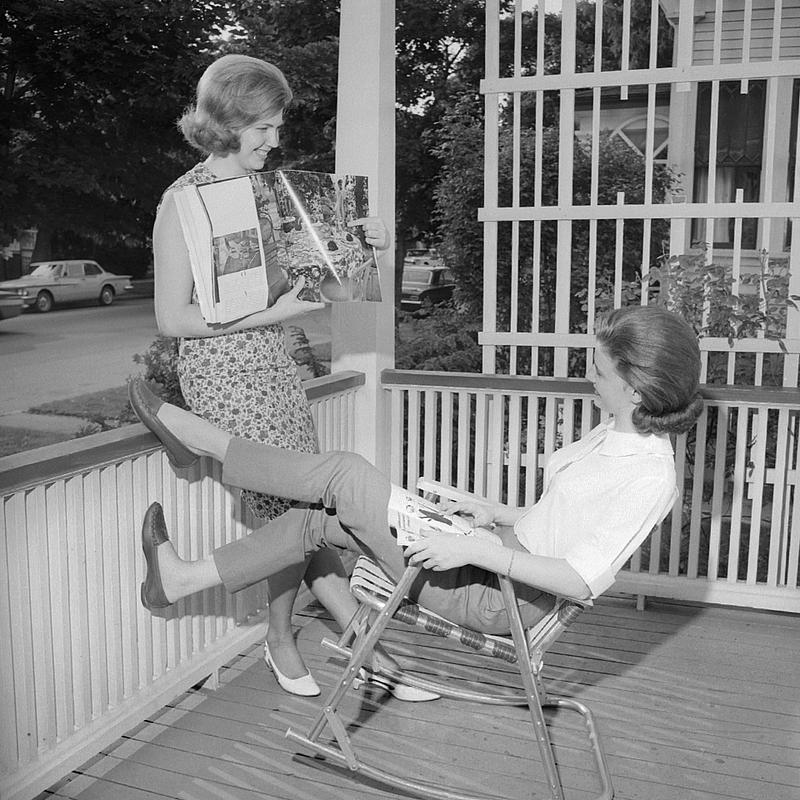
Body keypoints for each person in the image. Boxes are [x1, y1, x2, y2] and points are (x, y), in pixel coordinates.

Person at [130, 306, 704, 640]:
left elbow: (580, 579)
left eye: (599, 371)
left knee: (345, 475)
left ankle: (200, 439)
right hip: (489, 555)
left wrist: (474, 549)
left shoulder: (649, 476)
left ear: (634, 387)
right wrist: (490, 513)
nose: (589, 378)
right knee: (315, 522)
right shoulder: (617, 431)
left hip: (497, 596)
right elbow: (564, 520)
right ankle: (179, 580)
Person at [150, 53, 401, 698]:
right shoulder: (183, 203)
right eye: (263, 126)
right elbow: (173, 319)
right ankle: (290, 637)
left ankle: (360, 645)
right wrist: (275, 312)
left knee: (302, 508)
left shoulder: (276, 196)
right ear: (226, 122)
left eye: (277, 125)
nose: (275, 139)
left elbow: (333, 284)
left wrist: (370, 244)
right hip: (223, 373)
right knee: (291, 509)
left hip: (275, 368)